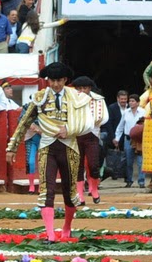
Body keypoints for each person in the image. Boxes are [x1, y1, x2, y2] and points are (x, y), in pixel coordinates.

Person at [6, 62, 90, 242]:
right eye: (52, 80)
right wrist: (12, 147)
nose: (55, 84)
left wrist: (70, 129)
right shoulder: (40, 98)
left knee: (69, 190)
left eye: (59, 80)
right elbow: (24, 122)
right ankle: (51, 234)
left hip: (69, 147)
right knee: (46, 189)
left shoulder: (76, 97)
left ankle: (67, 227)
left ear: (65, 80)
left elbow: (86, 122)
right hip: (47, 147)